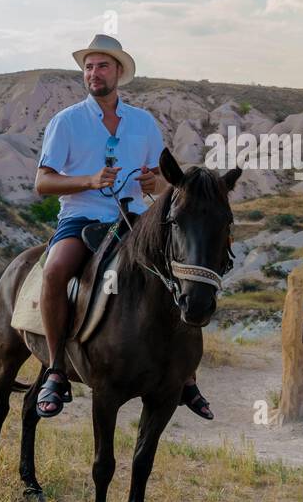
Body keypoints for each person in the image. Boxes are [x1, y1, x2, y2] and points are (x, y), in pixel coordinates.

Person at [32, 33, 212, 420]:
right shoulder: (66, 122)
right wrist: (89, 180)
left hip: (135, 219)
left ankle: (186, 375)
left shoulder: (143, 123)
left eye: (102, 66)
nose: (94, 73)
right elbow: (42, 182)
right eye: (89, 67)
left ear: (119, 73)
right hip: (82, 217)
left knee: (182, 272)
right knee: (55, 272)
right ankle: (56, 369)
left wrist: (157, 185)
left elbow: (166, 181)